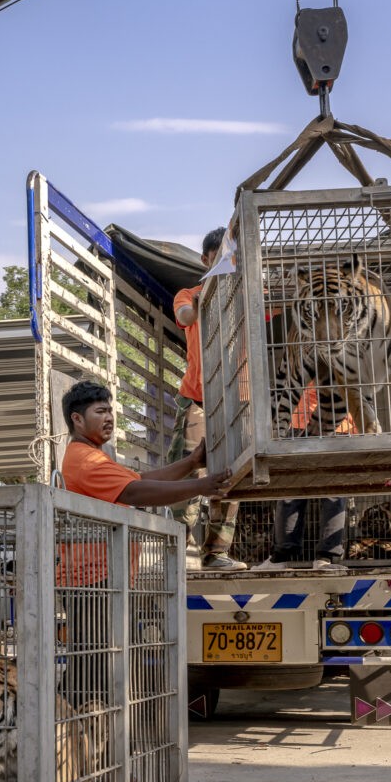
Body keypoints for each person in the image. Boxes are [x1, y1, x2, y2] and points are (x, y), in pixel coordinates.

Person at [57, 379, 232, 705]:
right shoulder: (85, 461)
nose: (109, 418)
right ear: (77, 419)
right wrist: (201, 486)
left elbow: (140, 479)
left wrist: (191, 464)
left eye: (110, 411)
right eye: (100, 411)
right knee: (93, 668)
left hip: (103, 579)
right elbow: (135, 492)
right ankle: (71, 728)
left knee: (100, 663)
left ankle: (87, 727)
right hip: (91, 583)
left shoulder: (94, 457)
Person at [170, 227, 245, 570]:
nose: (229, 263)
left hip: (235, 402)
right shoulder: (190, 295)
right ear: (206, 260)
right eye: (221, 257)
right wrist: (204, 300)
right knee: (187, 468)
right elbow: (185, 316)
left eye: (233, 257)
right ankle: (179, 547)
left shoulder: (246, 293)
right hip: (197, 399)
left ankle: (216, 553)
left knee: (230, 475)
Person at [253, 385, 351, 571]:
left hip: (310, 422)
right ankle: (325, 558)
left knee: (295, 490)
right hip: (332, 423)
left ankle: (286, 556)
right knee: (331, 491)